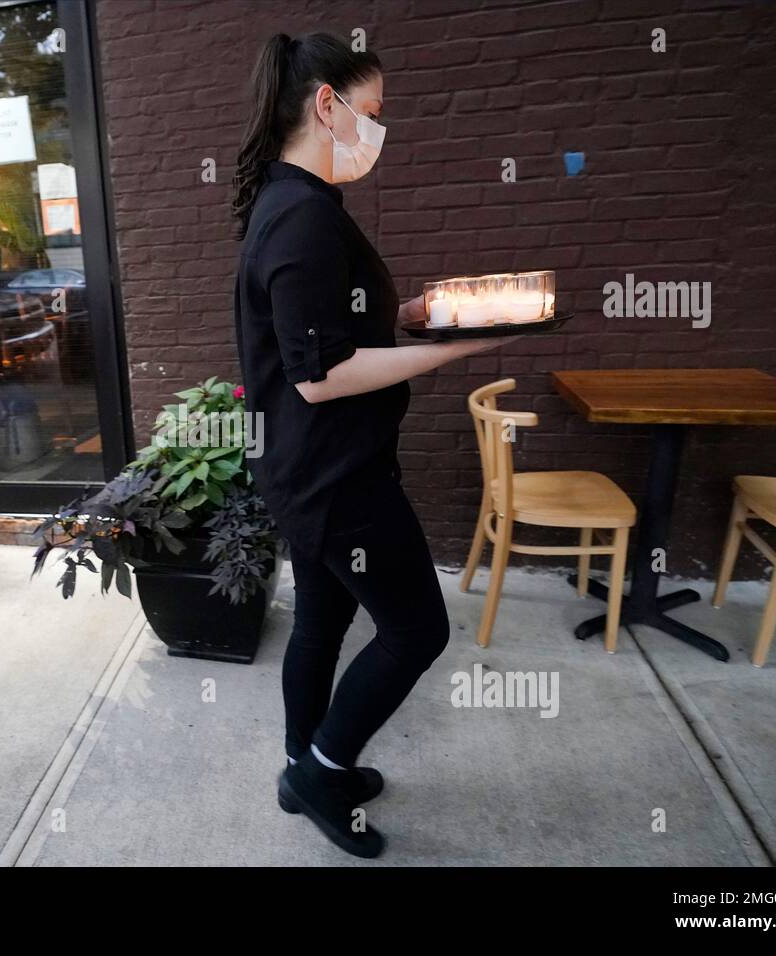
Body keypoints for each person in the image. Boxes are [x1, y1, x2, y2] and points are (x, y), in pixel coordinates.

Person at [231, 32, 516, 858]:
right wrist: (457, 348)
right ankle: (321, 768)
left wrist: (416, 317)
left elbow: (327, 333)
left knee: (321, 619)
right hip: (336, 475)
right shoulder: (302, 219)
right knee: (416, 631)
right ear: (328, 105)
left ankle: (301, 765)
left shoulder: (296, 207)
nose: (378, 131)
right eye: (374, 112)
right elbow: (320, 376)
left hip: (308, 466)